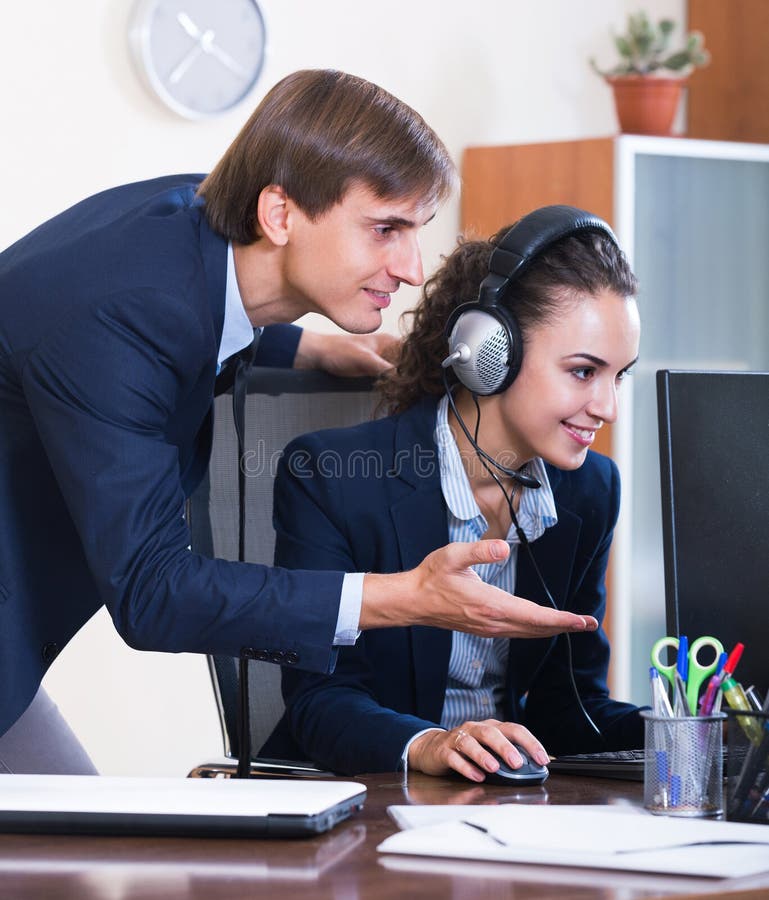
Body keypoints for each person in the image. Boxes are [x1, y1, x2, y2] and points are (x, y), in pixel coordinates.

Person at [0, 71, 594, 774]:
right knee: (73, 868)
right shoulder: (121, 318)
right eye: (385, 230)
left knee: (73, 864)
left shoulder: (204, 227)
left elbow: (191, 306)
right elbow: (152, 592)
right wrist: (403, 596)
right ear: (280, 214)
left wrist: (304, 343)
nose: (409, 268)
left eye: (416, 231)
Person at [261, 207, 645, 780]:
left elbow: (568, 707)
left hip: (503, 806)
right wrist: (430, 744)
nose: (608, 408)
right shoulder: (332, 476)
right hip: (360, 805)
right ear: (492, 352)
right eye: (584, 372)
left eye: (620, 376)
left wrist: (696, 728)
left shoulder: (590, 490)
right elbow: (322, 702)